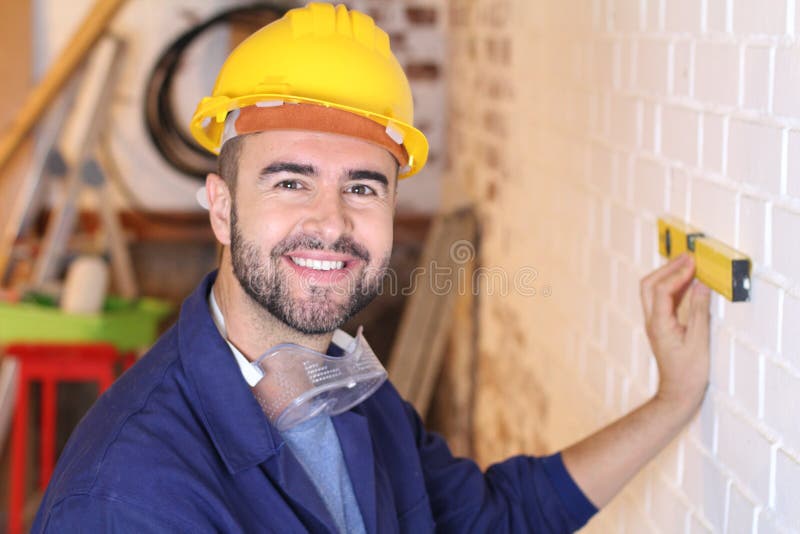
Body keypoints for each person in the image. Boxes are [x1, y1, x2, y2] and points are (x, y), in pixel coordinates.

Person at [33, 3, 711, 533]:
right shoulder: (132, 498)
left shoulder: (347, 392)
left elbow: (498, 519)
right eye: (291, 182)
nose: (331, 222)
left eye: (363, 187)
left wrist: (672, 402)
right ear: (220, 207)